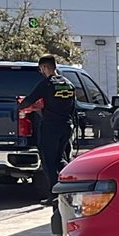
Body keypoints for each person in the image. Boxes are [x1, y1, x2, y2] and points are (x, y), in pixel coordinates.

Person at [17, 55, 76, 203]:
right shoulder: (69, 84)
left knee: (48, 162)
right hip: (66, 126)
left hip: (50, 127)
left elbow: (28, 101)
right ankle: (71, 187)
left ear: (44, 67)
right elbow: (71, 107)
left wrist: (19, 108)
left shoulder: (46, 84)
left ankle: (54, 195)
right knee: (59, 159)